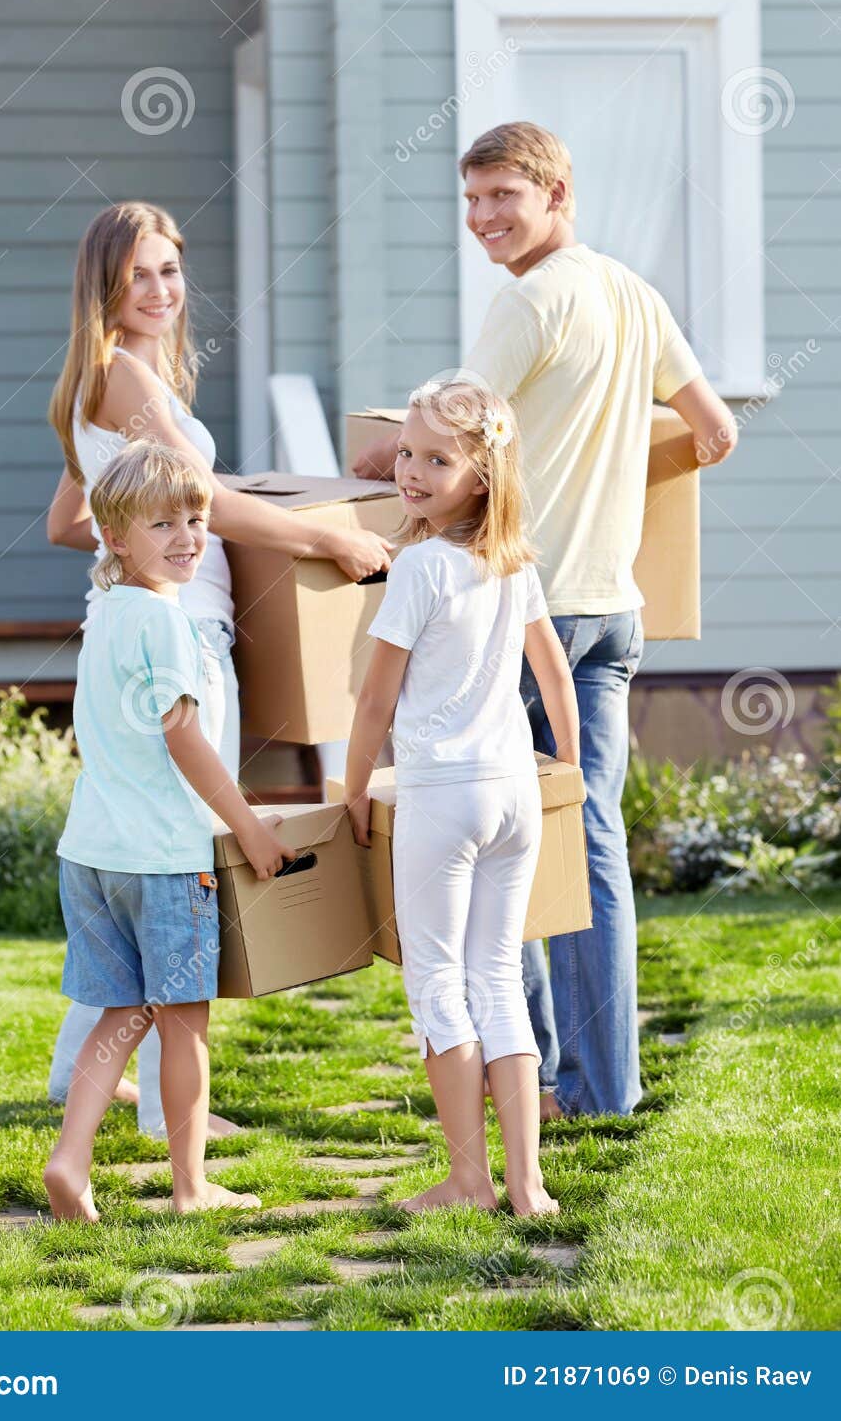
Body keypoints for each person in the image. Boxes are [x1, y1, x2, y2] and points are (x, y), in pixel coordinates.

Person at [353, 122, 738, 1116]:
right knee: (587, 834)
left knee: (508, 842)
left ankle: (529, 1072)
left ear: (555, 193)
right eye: (471, 199)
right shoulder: (633, 295)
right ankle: (600, 1086)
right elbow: (713, 432)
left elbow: (448, 432)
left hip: (528, 611)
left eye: (502, 198)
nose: (482, 217)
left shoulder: (529, 301)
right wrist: (603, 465)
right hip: (612, 608)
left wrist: (379, 457)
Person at [45, 201, 392, 1137]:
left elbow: (67, 522)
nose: (160, 289)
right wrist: (324, 536)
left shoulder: (104, 377)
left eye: (170, 269)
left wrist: (127, 533)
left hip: (127, 625)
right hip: (180, 631)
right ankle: (171, 1114)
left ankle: (78, 1071)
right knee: (181, 850)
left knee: (148, 838)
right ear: (106, 284)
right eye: (139, 274)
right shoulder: (126, 376)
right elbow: (205, 499)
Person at [44, 439, 297, 1221]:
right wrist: (248, 827)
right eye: (163, 524)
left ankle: (70, 1160)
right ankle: (192, 1188)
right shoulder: (165, 622)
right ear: (115, 537)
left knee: (120, 1014)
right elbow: (183, 738)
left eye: (195, 519)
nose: (188, 537)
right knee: (184, 1025)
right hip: (162, 860)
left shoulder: (108, 616)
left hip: (93, 854)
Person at [344, 379, 579, 1215]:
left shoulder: (419, 568)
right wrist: (568, 767)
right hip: (514, 794)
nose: (409, 471)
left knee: (439, 985)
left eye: (435, 461)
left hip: (443, 799)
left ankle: (468, 1181)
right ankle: (529, 1185)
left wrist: (351, 788)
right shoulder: (512, 562)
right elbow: (553, 672)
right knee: (498, 979)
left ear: (481, 477)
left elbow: (375, 698)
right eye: (406, 452)